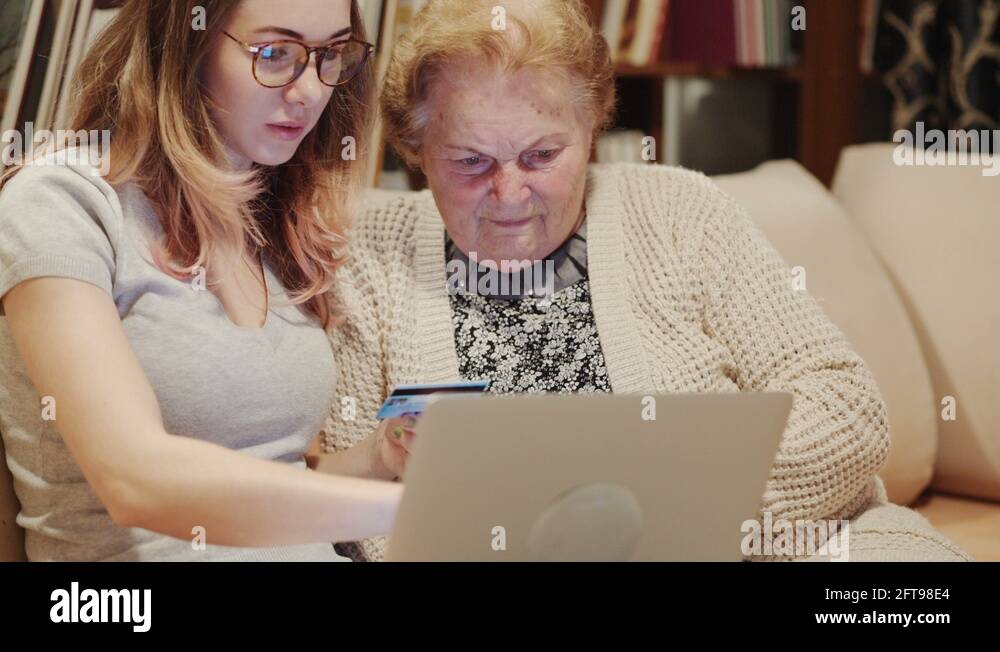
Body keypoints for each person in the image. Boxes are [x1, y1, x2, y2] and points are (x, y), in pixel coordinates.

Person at [321, 0, 973, 562]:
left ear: (594, 125)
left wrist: (675, 517)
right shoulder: (370, 258)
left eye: (542, 155)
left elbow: (846, 407)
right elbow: (337, 493)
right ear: (415, 146)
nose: (510, 192)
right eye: (470, 160)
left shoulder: (680, 212)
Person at [0, 0, 410, 561]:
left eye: (331, 55)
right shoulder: (61, 203)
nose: (311, 90)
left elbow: (277, 475)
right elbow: (136, 480)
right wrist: (411, 505)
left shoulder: (273, 219)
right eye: (275, 54)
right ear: (186, 46)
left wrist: (383, 460)